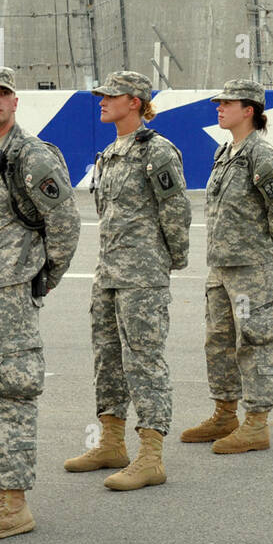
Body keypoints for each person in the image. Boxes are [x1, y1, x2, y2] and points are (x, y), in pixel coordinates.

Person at [0, 66, 81, 541]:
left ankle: (16, 503)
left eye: (5, 93)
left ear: (16, 102)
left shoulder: (32, 156)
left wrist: (42, 278)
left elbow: (65, 223)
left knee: (10, 394)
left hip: (7, 297)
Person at [63, 71, 191, 491]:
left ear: (135, 101)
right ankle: (112, 442)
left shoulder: (156, 151)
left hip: (142, 275)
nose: (101, 101)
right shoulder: (111, 153)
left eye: (110, 95)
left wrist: (167, 262)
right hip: (109, 272)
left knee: (144, 360)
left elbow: (175, 211)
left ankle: (151, 455)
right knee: (108, 358)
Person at [181, 79, 273, 453]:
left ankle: (256, 423)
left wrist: (270, 242)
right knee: (218, 342)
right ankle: (224, 413)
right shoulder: (226, 152)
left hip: (251, 268)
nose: (219, 108)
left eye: (227, 103)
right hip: (221, 266)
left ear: (249, 110)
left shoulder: (261, 155)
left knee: (254, 341)